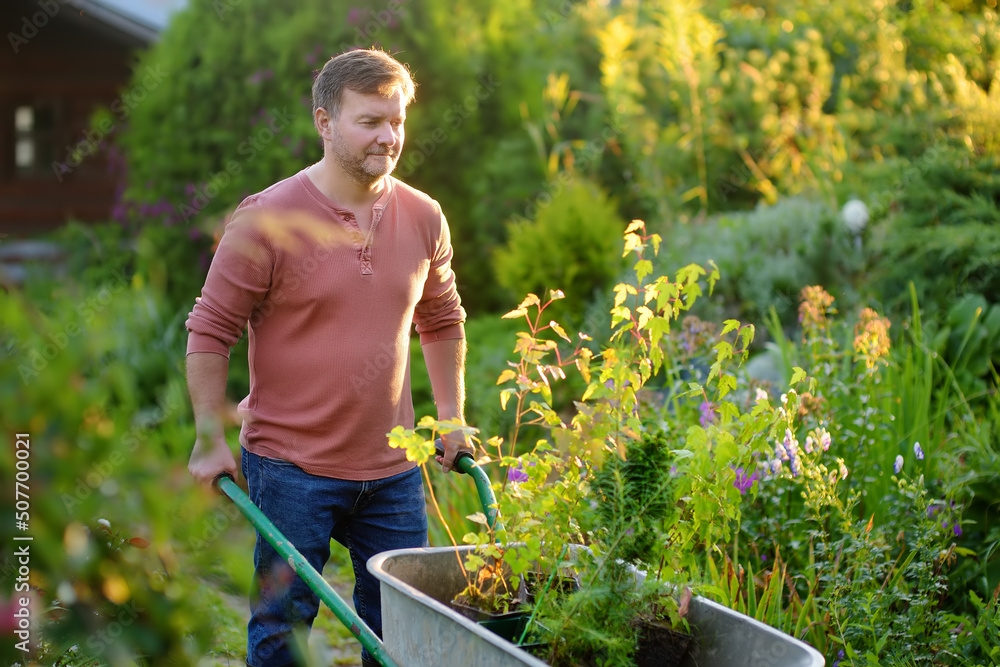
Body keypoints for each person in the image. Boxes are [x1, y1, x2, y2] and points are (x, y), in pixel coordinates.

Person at [184, 48, 472, 667]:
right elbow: (210, 331)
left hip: (394, 468)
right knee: (282, 631)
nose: (389, 137)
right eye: (370, 121)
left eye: (396, 121)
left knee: (400, 630)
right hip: (292, 468)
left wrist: (450, 415)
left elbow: (442, 320)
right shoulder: (267, 219)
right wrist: (210, 437)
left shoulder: (424, 215)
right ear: (323, 122)